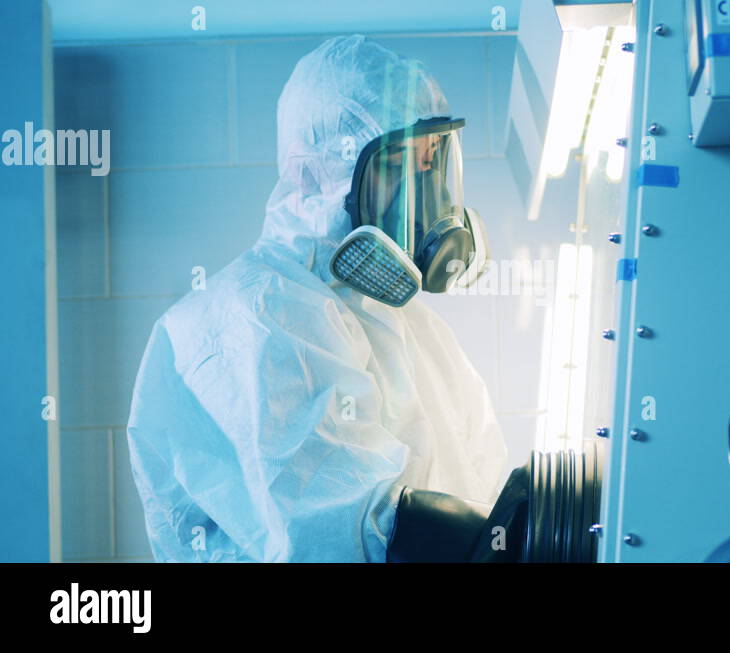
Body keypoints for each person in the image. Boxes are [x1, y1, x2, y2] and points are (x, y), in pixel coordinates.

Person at [126, 35, 507, 562]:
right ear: (317, 176)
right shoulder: (251, 317)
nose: (424, 198)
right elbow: (360, 536)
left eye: (430, 165)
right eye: (397, 165)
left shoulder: (414, 326)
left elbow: (484, 496)